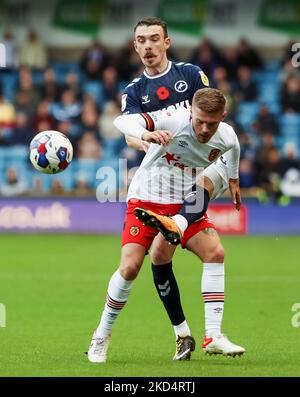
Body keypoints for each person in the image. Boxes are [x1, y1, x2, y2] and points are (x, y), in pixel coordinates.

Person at [87, 87, 245, 363]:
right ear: (191, 112)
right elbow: (121, 121)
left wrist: (233, 179)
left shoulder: (227, 135)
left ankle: (213, 336)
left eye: (212, 122)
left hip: (182, 201)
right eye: (199, 121)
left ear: (223, 116)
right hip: (146, 199)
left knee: (215, 253)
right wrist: (145, 133)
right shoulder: (173, 119)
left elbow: (234, 149)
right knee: (129, 268)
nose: (205, 129)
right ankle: (102, 333)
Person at [117, 17, 242, 361]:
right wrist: (141, 139)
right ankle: (184, 333)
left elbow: (210, 110)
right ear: (135, 46)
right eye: (141, 40)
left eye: (154, 39)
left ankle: (211, 335)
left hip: (200, 161)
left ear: (166, 42)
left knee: (211, 247)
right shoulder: (134, 91)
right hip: (161, 172)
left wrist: (232, 176)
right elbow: (129, 129)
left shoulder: (189, 75)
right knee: (159, 256)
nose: (148, 46)